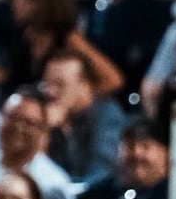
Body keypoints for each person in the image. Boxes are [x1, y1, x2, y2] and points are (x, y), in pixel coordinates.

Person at [39, 47, 126, 189]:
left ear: (84, 86)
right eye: (46, 84)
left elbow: (100, 175)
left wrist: (66, 133)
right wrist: (43, 132)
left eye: (60, 85)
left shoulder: (107, 115)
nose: (50, 92)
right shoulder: (49, 117)